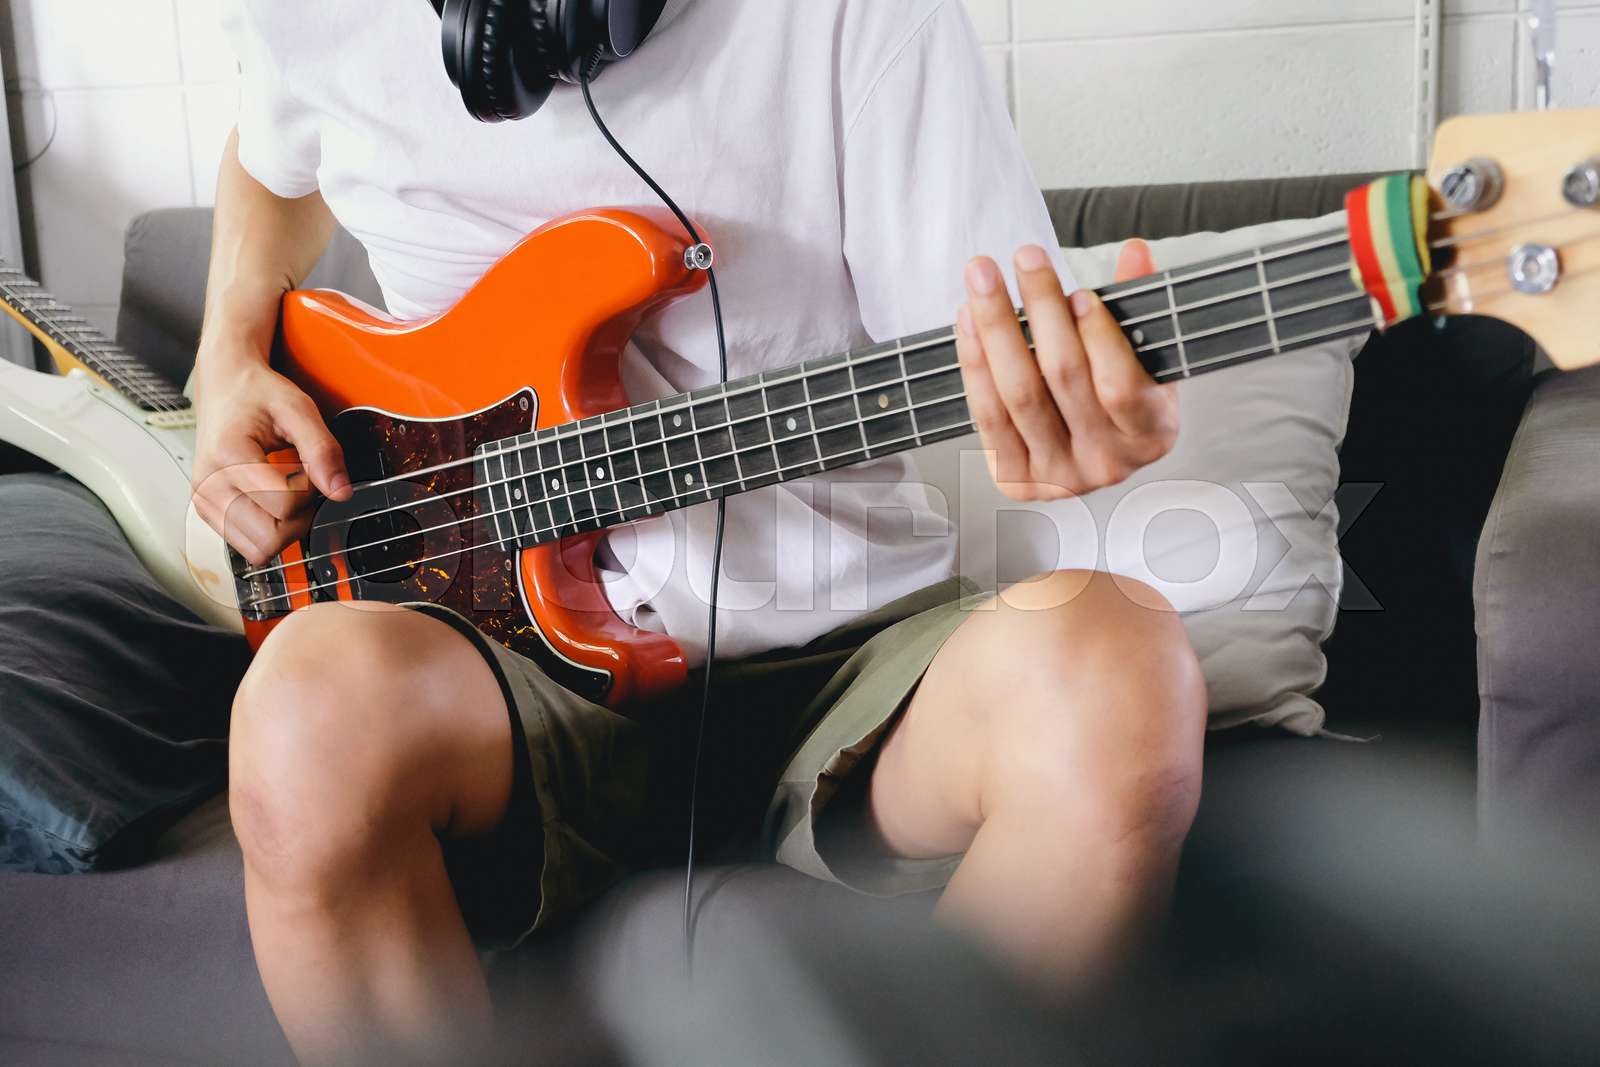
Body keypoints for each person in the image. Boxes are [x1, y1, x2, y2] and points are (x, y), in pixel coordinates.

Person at [201, 0, 1206, 1061]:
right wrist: (226, 346)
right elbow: (270, 157)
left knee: (1116, 661)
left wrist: (1068, 415)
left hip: (850, 655)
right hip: (502, 677)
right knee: (302, 712)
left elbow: (989, 346)